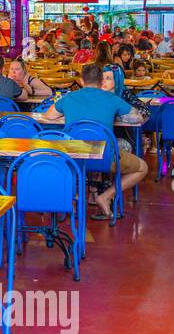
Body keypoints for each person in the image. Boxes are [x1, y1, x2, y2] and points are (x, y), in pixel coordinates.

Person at [39, 63, 147, 220]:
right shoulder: (113, 99)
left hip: (73, 159)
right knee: (142, 168)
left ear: (82, 80)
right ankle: (106, 196)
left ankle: (74, 197)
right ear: (101, 81)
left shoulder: (69, 97)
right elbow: (137, 117)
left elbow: (49, 116)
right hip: (104, 159)